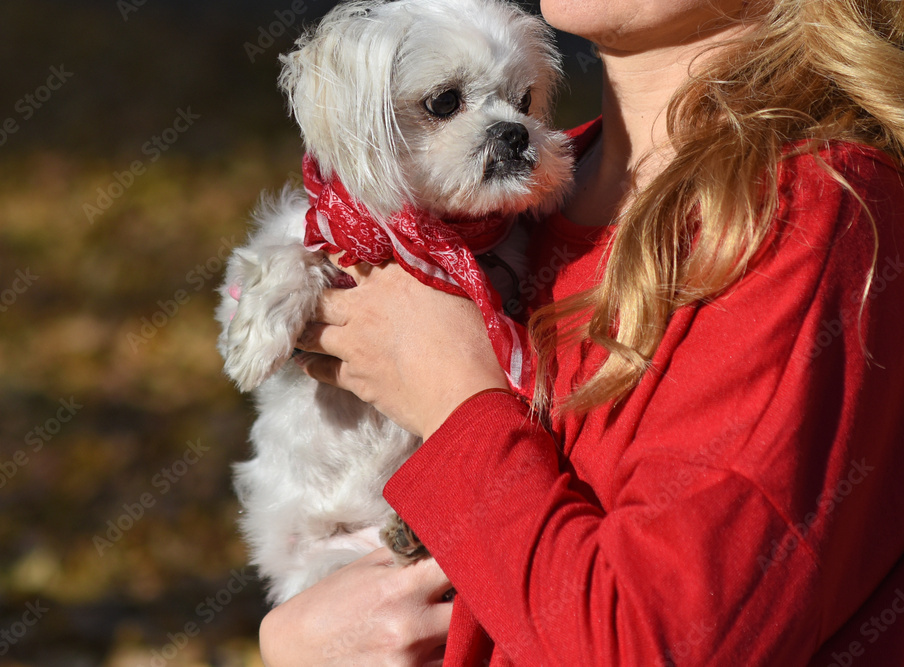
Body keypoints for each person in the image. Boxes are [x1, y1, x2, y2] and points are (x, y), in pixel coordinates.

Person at [260, 0, 904, 664]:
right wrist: (298, 640)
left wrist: (451, 393)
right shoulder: (496, 222)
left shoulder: (810, 214)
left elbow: (652, 645)